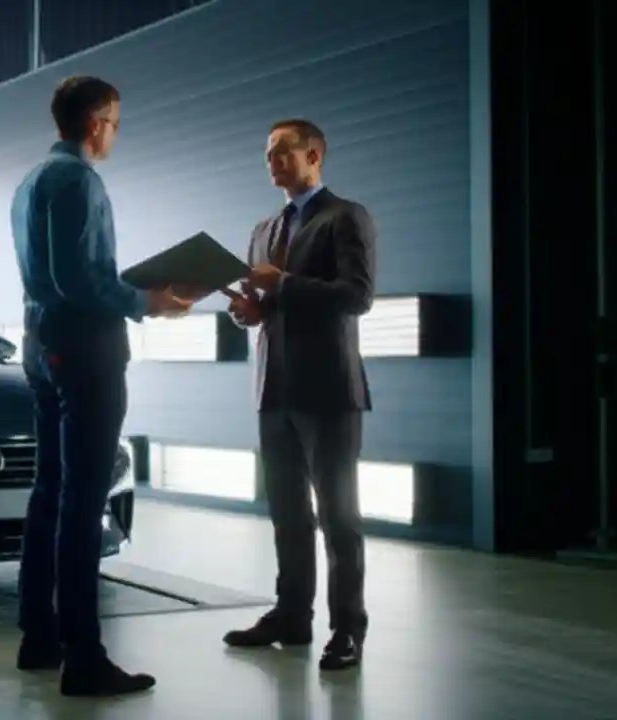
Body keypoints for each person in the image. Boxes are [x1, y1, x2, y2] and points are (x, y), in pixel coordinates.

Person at [10, 75, 192, 697]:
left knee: (49, 493)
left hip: (41, 347)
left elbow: (52, 277)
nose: (115, 132)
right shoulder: (78, 180)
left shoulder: (29, 181)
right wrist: (149, 301)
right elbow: (78, 280)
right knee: (84, 503)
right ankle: (83, 657)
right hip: (84, 351)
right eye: (115, 121)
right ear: (97, 122)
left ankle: (39, 636)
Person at [221, 118, 376, 671]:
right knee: (287, 515)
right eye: (267, 154)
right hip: (274, 391)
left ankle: (348, 630)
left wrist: (281, 284)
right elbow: (265, 309)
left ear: (315, 154)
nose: (273, 162)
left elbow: (356, 296)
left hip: (329, 392)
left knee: (339, 518)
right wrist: (250, 311)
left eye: (283, 152)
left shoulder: (344, 217)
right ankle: (292, 616)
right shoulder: (263, 229)